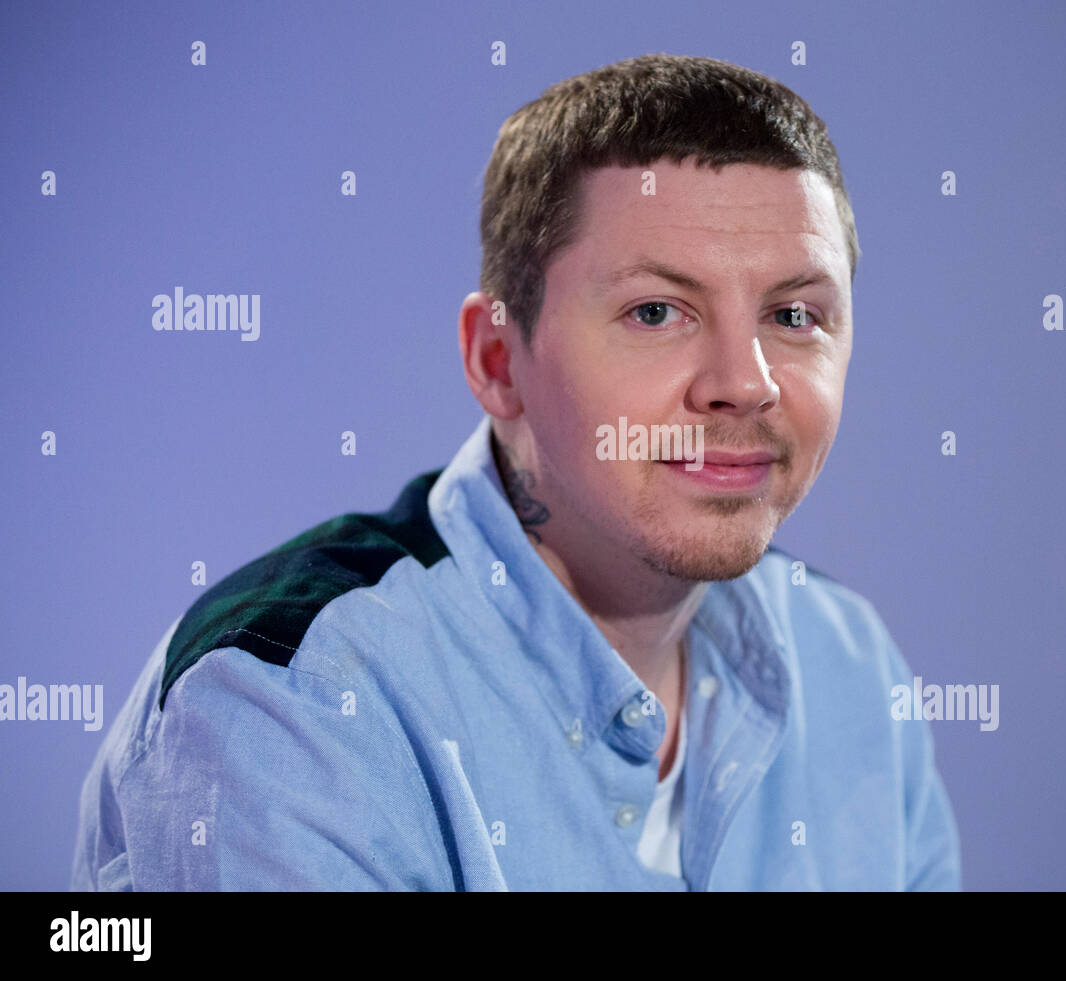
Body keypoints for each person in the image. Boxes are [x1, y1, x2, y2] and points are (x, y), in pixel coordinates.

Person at [70, 52, 960, 891]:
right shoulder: (286, 703)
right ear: (499, 359)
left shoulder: (849, 661)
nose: (745, 384)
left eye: (795, 314)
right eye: (657, 311)